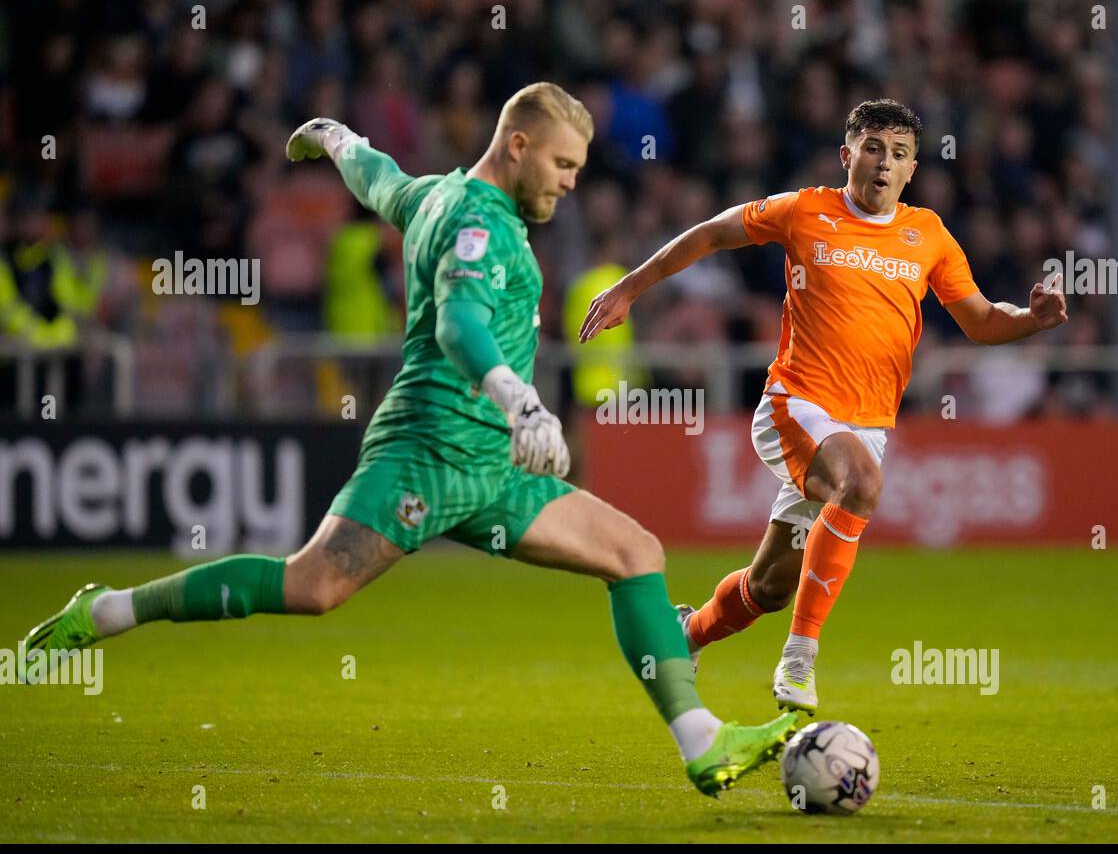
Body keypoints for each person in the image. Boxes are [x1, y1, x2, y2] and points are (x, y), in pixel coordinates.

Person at [20, 82, 797, 796]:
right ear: (518, 147)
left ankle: (702, 743)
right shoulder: (477, 224)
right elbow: (460, 323)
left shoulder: (436, 195)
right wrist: (521, 401)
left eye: (579, 167)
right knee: (311, 587)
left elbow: (380, 180)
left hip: (491, 466)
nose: (570, 181)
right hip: (427, 447)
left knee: (636, 554)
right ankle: (110, 609)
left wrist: (334, 140)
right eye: (562, 163)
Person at [580, 99, 1068, 714]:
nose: (883, 163)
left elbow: (979, 321)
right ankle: (801, 659)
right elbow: (710, 232)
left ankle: (685, 635)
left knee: (770, 586)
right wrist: (629, 287)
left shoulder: (929, 236)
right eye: (872, 148)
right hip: (797, 403)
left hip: (868, 424)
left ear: (912, 168)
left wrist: (1031, 320)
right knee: (862, 483)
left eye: (897, 154)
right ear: (848, 156)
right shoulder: (805, 211)